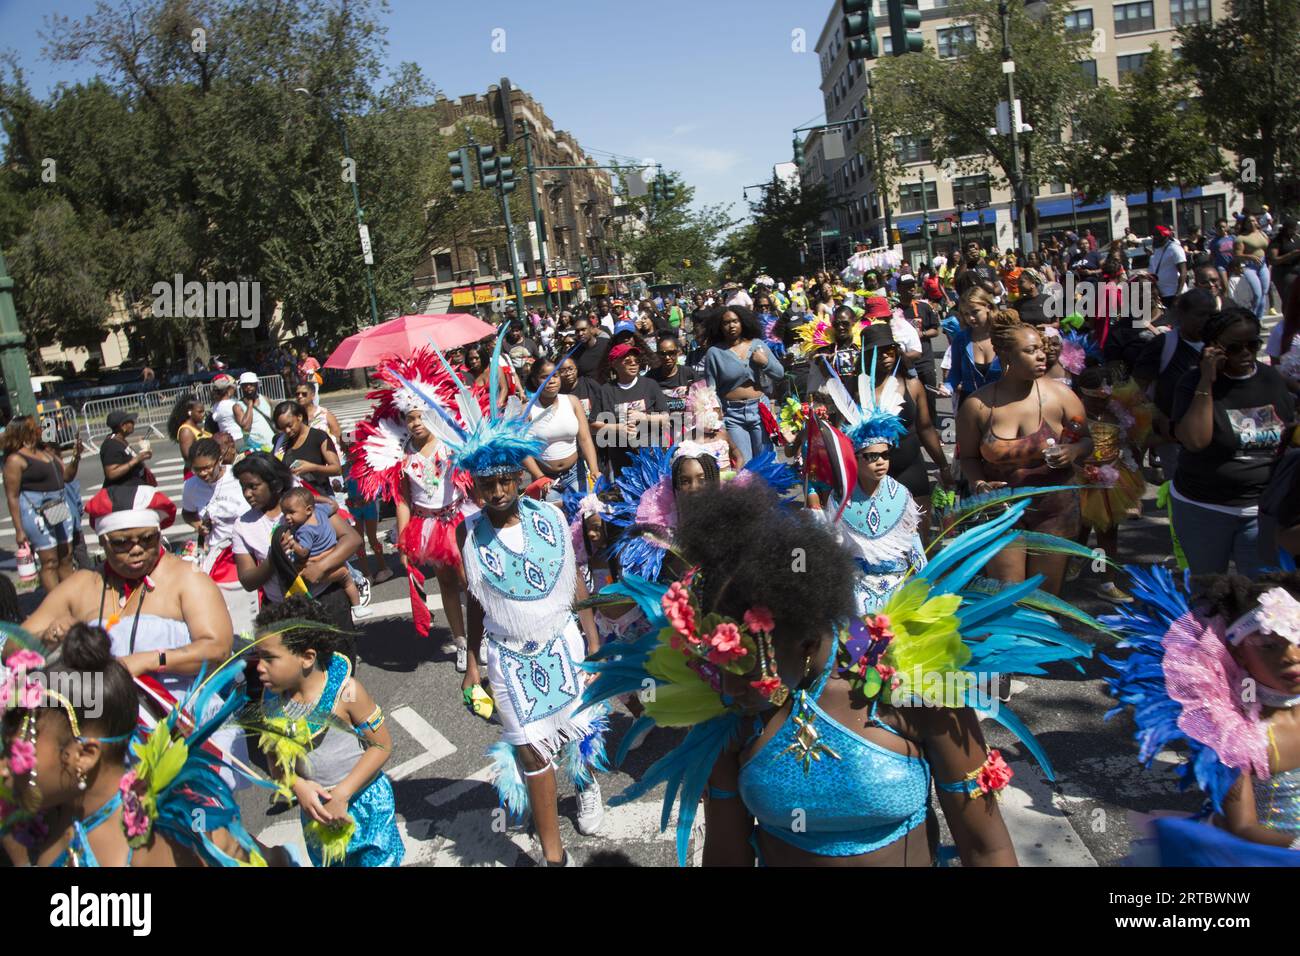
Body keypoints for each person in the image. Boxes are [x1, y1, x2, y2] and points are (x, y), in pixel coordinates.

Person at [580, 481, 1091, 866]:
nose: (727, 687)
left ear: (804, 641)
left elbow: (986, 845)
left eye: (743, 662)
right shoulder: (729, 712)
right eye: (713, 667)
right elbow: (727, 855)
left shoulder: (911, 688)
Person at [401, 329, 608, 865]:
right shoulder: (469, 533)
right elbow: (475, 596)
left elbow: (573, 579)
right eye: (485, 483)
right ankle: (554, 854)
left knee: (576, 731)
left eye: (503, 480)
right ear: (473, 485)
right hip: (508, 653)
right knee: (531, 751)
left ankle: (586, 787)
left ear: (519, 477)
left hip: (563, 639)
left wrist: (590, 632)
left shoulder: (552, 517)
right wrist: (470, 659)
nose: (495, 491)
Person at [0, 623, 280, 866]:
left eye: (18, 752)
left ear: (84, 755)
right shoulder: (51, 820)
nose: (3, 769)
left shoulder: (160, 840)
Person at [1106, 569, 1300, 856]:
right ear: (1238, 655)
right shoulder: (1235, 731)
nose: (1291, 656)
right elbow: (1243, 828)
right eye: (1269, 646)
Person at [251, 596, 401, 866]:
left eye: (269, 658)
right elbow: (276, 766)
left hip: (365, 807)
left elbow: (382, 746)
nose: (259, 667)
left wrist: (342, 794)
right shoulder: (271, 701)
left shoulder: (347, 693)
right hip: (317, 815)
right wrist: (299, 788)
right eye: (258, 657)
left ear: (307, 657)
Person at [351, 349, 476, 662]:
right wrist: (405, 541)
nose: (417, 422)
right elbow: (403, 499)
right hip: (427, 525)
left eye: (422, 415)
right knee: (446, 583)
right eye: (411, 417)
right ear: (403, 419)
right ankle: (461, 642)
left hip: (458, 518)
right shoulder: (401, 453)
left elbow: (471, 477)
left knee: (469, 582)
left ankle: (479, 639)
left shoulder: (450, 440)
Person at [955, 310, 1090, 595]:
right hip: (1001, 509)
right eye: (1030, 351)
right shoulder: (977, 406)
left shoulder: (1062, 396)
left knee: (1044, 599)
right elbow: (967, 457)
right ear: (1005, 355)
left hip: (1054, 510)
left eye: (1041, 349)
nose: (1041, 356)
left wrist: (1074, 450)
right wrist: (978, 483)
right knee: (1007, 597)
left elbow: (1087, 442)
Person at [1170, 307, 1296, 577]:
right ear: (1212, 348)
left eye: (1253, 344)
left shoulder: (1270, 379)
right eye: (1234, 348)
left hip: (1260, 510)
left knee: (1264, 595)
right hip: (1203, 509)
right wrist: (1206, 380)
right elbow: (1195, 441)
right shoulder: (1192, 382)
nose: (1246, 353)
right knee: (1209, 593)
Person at [232, 453, 361, 630]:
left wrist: (321, 567)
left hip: (327, 600)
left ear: (276, 484)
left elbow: (352, 539)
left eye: (253, 486)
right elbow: (248, 580)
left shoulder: (303, 504)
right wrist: (274, 557)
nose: (247, 494)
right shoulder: (243, 526)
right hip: (283, 612)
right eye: (243, 487)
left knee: (337, 657)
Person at [181, 437, 259, 637]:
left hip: (249, 551)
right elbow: (188, 513)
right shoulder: (191, 486)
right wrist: (198, 525)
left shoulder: (239, 478)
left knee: (252, 604)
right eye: (197, 469)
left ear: (219, 459)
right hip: (217, 557)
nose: (203, 474)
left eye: (207, 467)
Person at [4, 417, 81, 592]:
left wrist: (76, 457)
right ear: (24, 431)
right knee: (49, 561)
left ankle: (71, 597)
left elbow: (67, 476)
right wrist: (19, 530)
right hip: (35, 511)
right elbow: (12, 496)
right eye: (35, 427)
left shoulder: (46, 453)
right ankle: (56, 605)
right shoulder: (15, 460)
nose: (40, 429)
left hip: (56, 506)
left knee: (66, 555)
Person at [702, 305, 784, 465]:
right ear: (719, 327)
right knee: (743, 464)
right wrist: (716, 418)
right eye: (726, 323)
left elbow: (779, 373)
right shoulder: (714, 353)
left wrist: (764, 362)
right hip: (733, 415)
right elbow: (711, 390)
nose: (731, 326)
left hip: (760, 410)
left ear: (743, 323)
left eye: (735, 321)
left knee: (767, 461)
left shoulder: (757, 345)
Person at [590, 340, 671, 479]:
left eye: (636, 360)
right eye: (627, 361)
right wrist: (619, 428)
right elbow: (592, 426)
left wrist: (644, 418)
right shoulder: (606, 390)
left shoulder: (650, 385)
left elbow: (666, 419)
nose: (633, 364)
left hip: (652, 455)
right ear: (614, 364)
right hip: (622, 461)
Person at [522, 358, 602, 499]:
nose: (551, 380)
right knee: (558, 517)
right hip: (545, 478)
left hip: (576, 472)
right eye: (544, 377)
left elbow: (585, 438)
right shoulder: (526, 410)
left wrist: (594, 469)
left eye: (555, 375)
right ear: (535, 381)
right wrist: (540, 477)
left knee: (592, 517)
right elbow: (522, 450)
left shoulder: (572, 401)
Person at [279, 487, 362, 608]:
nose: (286, 517)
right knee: (348, 583)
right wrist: (316, 498)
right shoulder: (320, 510)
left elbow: (303, 552)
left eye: (291, 512)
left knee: (302, 576)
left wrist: (292, 543)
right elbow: (334, 505)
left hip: (318, 563)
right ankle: (358, 606)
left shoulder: (304, 530)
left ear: (308, 510)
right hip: (335, 556)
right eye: (284, 513)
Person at [272, 400, 342, 499]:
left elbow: (337, 469)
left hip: (321, 498)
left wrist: (312, 467)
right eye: (282, 428)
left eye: (289, 425)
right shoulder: (281, 442)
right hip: (294, 501)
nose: (287, 431)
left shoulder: (318, 436)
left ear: (299, 417)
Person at [947, 287, 1001, 408]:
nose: (970, 318)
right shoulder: (960, 339)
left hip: (1003, 404)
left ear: (988, 307)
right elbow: (955, 371)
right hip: (970, 404)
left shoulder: (1004, 335)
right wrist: (948, 386)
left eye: (975, 311)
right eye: (966, 314)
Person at [98, 411, 154, 489]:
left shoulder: (120, 440)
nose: (133, 423)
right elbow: (111, 473)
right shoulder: (111, 445)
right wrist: (137, 459)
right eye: (130, 421)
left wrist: (143, 453)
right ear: (123, 426)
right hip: (121, 493)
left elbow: (128, 459)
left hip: (133, 489)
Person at [1235, 214, 1271, 321]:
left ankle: (1259, 319)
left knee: (1264, 293)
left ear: (1257, 222)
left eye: (1253, 221)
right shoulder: (1241, 238)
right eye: (1249, 221)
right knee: (1257, 293)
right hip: (1250, 267)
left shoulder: (1262, 234)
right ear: (1245, 224)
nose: (1252, 223)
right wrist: (1250, 256)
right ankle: (1252, 318)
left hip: (1263, 265)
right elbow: (1237, 255)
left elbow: (1267, 248)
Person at [293, 381, 343, 455]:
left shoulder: (325, 414)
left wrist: (352, 446)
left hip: (332, 457)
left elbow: (339, 436)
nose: (300, 396)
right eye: (297, 394)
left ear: (313, 395)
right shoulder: (294, 417)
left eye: (304, 394)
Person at [234, 372, 277, 453]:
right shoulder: (238, 406)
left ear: (257, 384)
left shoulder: (266, 399)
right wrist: (250, 404)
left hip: (273, 444)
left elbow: (272, 420)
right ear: (241, 387)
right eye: (245, 385)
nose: (249, 387)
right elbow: (246, 427)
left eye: (251, 384)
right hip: (256, 447)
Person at [167, 393, 210, 473]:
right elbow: (188, 456)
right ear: (189, 412)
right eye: (200, 412)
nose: (203, 414)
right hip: (195, 473)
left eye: (204, 411)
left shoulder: (196, 426)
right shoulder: (186, 431)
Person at [1148, 225, 1188, 310]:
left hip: (1174, 294)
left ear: (1164, 236)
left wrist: (1178, 295)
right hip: (1162, 294)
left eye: (1156, 235)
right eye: (1153, 235)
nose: (1154, 237)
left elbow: (1183, 272)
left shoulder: (1175, 248)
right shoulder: (1157, 249)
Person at [209, 373, 244, 446]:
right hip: (238, 439)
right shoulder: (233, 404)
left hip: (225, 441)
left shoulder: (215, 406)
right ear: (228, 389)